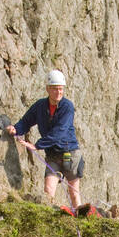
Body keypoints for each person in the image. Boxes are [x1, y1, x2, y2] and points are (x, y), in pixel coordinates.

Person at [7, 69, 84, 209]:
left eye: (61, 89)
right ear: (48, 89)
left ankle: (83, 222)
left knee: (73, 193)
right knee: (48, 191)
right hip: (52, 156)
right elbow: (26, 121)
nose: (59, 92)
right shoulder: (40, 106)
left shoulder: (67, 107)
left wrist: (37, 145)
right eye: (55, 89)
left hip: (70, 154)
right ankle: (50, 219)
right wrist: (16, 129)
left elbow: (60, 131)